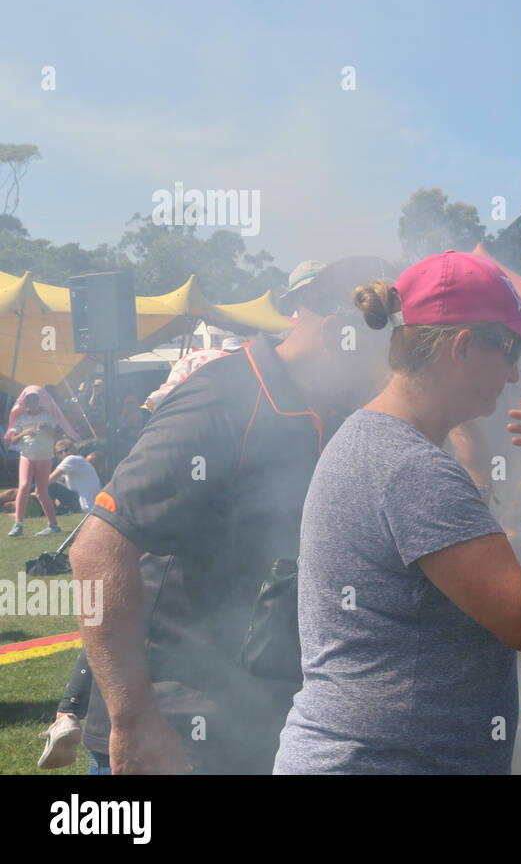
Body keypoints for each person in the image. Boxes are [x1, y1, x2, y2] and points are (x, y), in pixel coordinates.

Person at [70, 255, 398, 774]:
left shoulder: (333, 413)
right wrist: (133, 718)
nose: (389, 376)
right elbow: (96, 551)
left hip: (261, 718)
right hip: (178, 731)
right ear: (341, 336)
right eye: (385, 358)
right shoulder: (225, 398)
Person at [274, 250, 521, 774]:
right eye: (510, 349)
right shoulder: (410, 467)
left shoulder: (380, 442)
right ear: (464, 347)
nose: (516, 374)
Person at [5, 386, 80, 537]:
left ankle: (53, 525)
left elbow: (59, 435)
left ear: (39, 400)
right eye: (29, 399)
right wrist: (24, 433)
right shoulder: (21, 418)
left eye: (35, 399)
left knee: (42, 492)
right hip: (27, 457)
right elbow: (11, 440)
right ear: (25, 401)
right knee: (24, 486)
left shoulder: (48, 416)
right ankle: (18, 524)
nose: (32, 402)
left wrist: (46, 428)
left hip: (44, 458)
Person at [50, 439, 102, 512]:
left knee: (52, 486)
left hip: (84, 505)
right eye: (60, 452)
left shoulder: (71, 459)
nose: (64, 454)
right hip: (90, 505)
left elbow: (49, 480)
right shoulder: (80, 460)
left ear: (74, 448)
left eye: (66, 450)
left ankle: (48, 512)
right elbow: (59, 480)